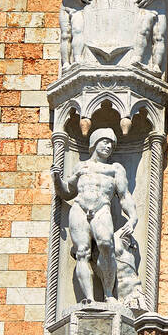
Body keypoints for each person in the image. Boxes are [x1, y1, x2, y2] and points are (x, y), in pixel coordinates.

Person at [53, 128, 136, 304]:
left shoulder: (115, 169)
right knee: (82, 252)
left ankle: (108, 294)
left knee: (107, 245)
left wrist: (133, 217)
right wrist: (56, 178)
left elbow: (124, 196)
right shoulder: (81, 166)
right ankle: (89, 298)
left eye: (111, 144)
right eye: (104, 141)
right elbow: (67, 192)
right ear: (94, 143)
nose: (108, 146)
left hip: (102, 209)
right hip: (80, 208)